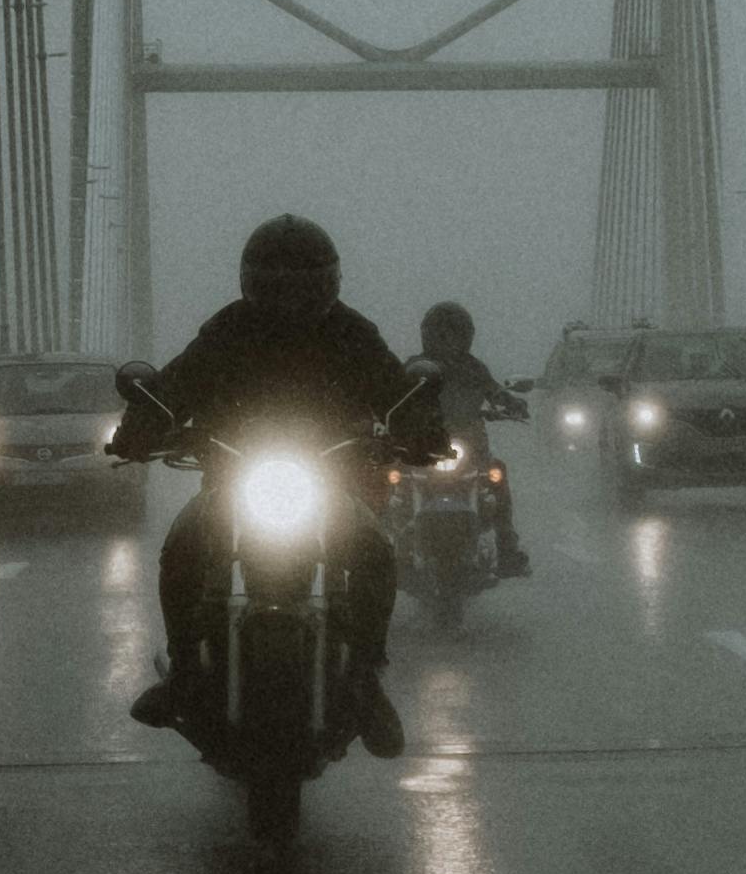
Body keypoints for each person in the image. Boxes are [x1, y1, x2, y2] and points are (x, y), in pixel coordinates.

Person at [114, 214, 444, 756]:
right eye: (276, 286)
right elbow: (174, 386)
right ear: (252, 284)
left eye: (304, 286)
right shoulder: (226, 332)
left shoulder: (352, 334)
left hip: (325, 483)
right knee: (182, 550)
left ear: (329, 284)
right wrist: (141, 425)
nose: (290, 301)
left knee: (374, 553)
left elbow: (394, 388)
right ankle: (184, 672)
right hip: (234, 481)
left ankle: (365, 679)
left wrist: (422, 428)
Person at [413, 300, 532, 574]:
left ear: (465, 337)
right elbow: (392, 391)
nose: (448, 342)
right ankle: (386, 545)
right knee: (393, 475)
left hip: (470, 444)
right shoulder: (416, 367)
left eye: (453, 335)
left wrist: (511, 403)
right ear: (429, 336)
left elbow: (494, 391)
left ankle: (507, 547)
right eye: (441, 335)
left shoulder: (474, 368)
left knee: (497, 473)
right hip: (422, 445)